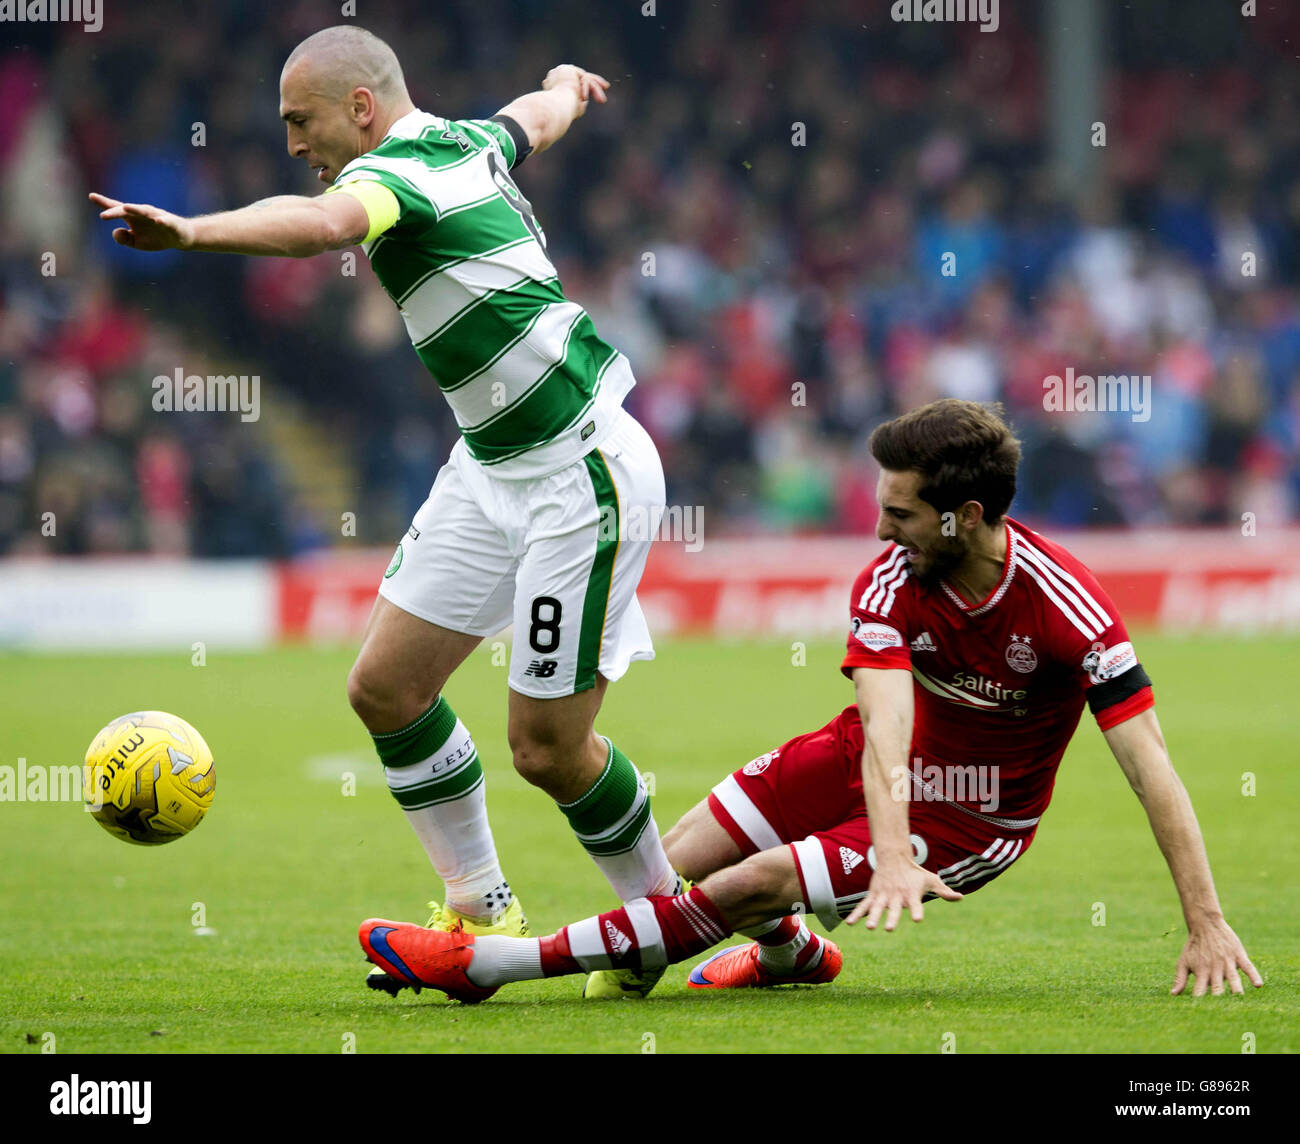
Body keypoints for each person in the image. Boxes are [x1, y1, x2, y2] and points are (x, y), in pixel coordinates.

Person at [91, 26, 684, 995]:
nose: (293, 143)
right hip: (491, 469)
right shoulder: (469, 141)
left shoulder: (398, 176)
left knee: (547, 746)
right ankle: (482, 909)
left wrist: (196, 233)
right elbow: (532, 118)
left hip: (582, 473)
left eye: (301, 120)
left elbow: (324, 224)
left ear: (360, 108)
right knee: (385, 689)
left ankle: (661, 919)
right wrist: (565, 83)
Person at [360, 399, 1264, 1002]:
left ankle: (491, 965)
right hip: (861, 758)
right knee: (671, 865)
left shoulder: (1071, 611)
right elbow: (886, 730)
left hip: (968, 819)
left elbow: (1152, 771)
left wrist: (1208, 923)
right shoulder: (889, 580)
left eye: (902, 513)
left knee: (744, 884)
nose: (879, 529)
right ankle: (793, 950)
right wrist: (883, 849)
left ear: (970, 514)